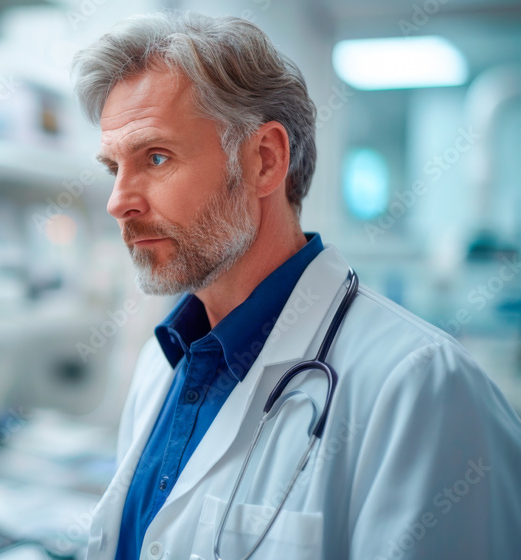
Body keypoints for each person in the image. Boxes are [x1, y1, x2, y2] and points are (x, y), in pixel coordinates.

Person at [71, 11, 521, 560]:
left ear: (264, 160)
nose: (119, 200)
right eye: (112, 167)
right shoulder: (162, 364)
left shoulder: (423, 387)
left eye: (156, 157)